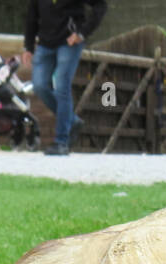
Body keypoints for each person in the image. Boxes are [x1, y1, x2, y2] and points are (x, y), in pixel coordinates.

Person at [22, 0, 105, 155]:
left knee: (62, 87)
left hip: (69, 42)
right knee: (39, 86)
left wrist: (82, 33)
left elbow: (100, 5)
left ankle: (61, 142)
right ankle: (72, 121)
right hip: (45, 42)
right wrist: (28, 45)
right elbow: (32, 15)